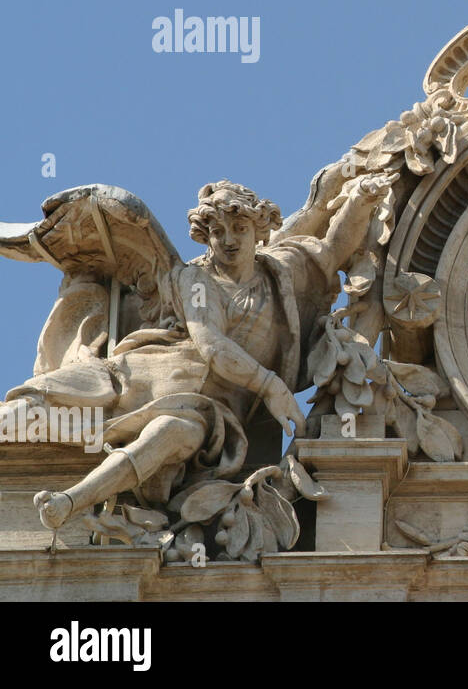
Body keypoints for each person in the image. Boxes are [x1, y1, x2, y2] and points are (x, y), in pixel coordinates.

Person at [0, 175, 391, 529]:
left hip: (207, 411)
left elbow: (334, 249)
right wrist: (271, 386)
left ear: (259, 230)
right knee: (27, 406)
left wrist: (360, 198)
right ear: (205, 236)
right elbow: (213, 345)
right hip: (133, 376)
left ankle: (69, 502)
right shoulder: (195, 279)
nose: (229, 239)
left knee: (169, 434)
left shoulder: (281, 273)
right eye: (217, 231)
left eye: (239, 228)